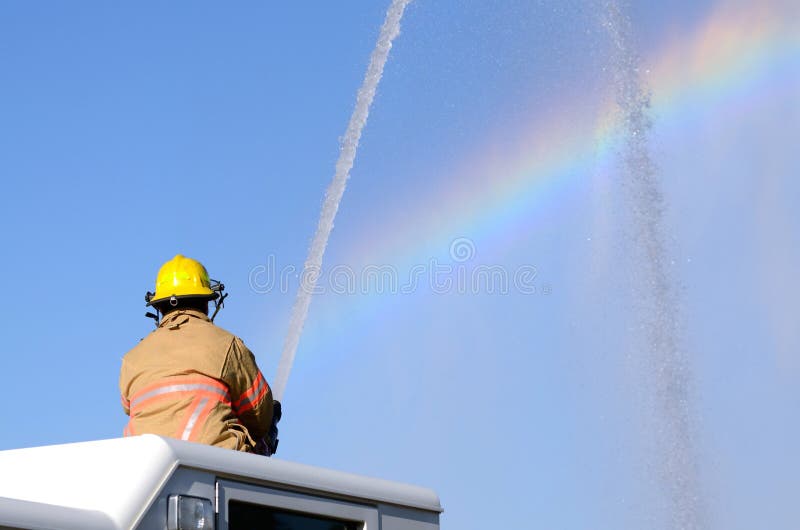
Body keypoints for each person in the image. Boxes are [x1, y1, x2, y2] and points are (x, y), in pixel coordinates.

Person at [119, 254, 277, 454]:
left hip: (144, 469)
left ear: (159, 306)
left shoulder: (131, 359)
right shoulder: (227, 345)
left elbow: (130, 408)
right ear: (206, 302)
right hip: (215, 468)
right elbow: (259, 415)